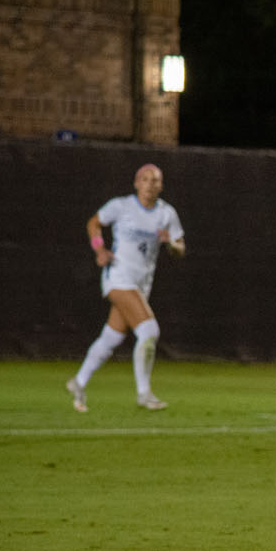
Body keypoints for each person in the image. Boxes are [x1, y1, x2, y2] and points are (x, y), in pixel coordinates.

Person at [67, 164, 185, 411]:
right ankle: (144, 393)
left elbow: (180, 247)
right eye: (145, 179)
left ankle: (78, 382)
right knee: (149, 330)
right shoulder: (121, 206)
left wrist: (171, 246)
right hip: (118, 278)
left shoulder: (166, 213)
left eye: (155, 180)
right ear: (136, 183)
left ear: (161, 186)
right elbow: (94, 223)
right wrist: (99, 249)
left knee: (112, 337)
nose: (150, 184)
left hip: (141, 284)